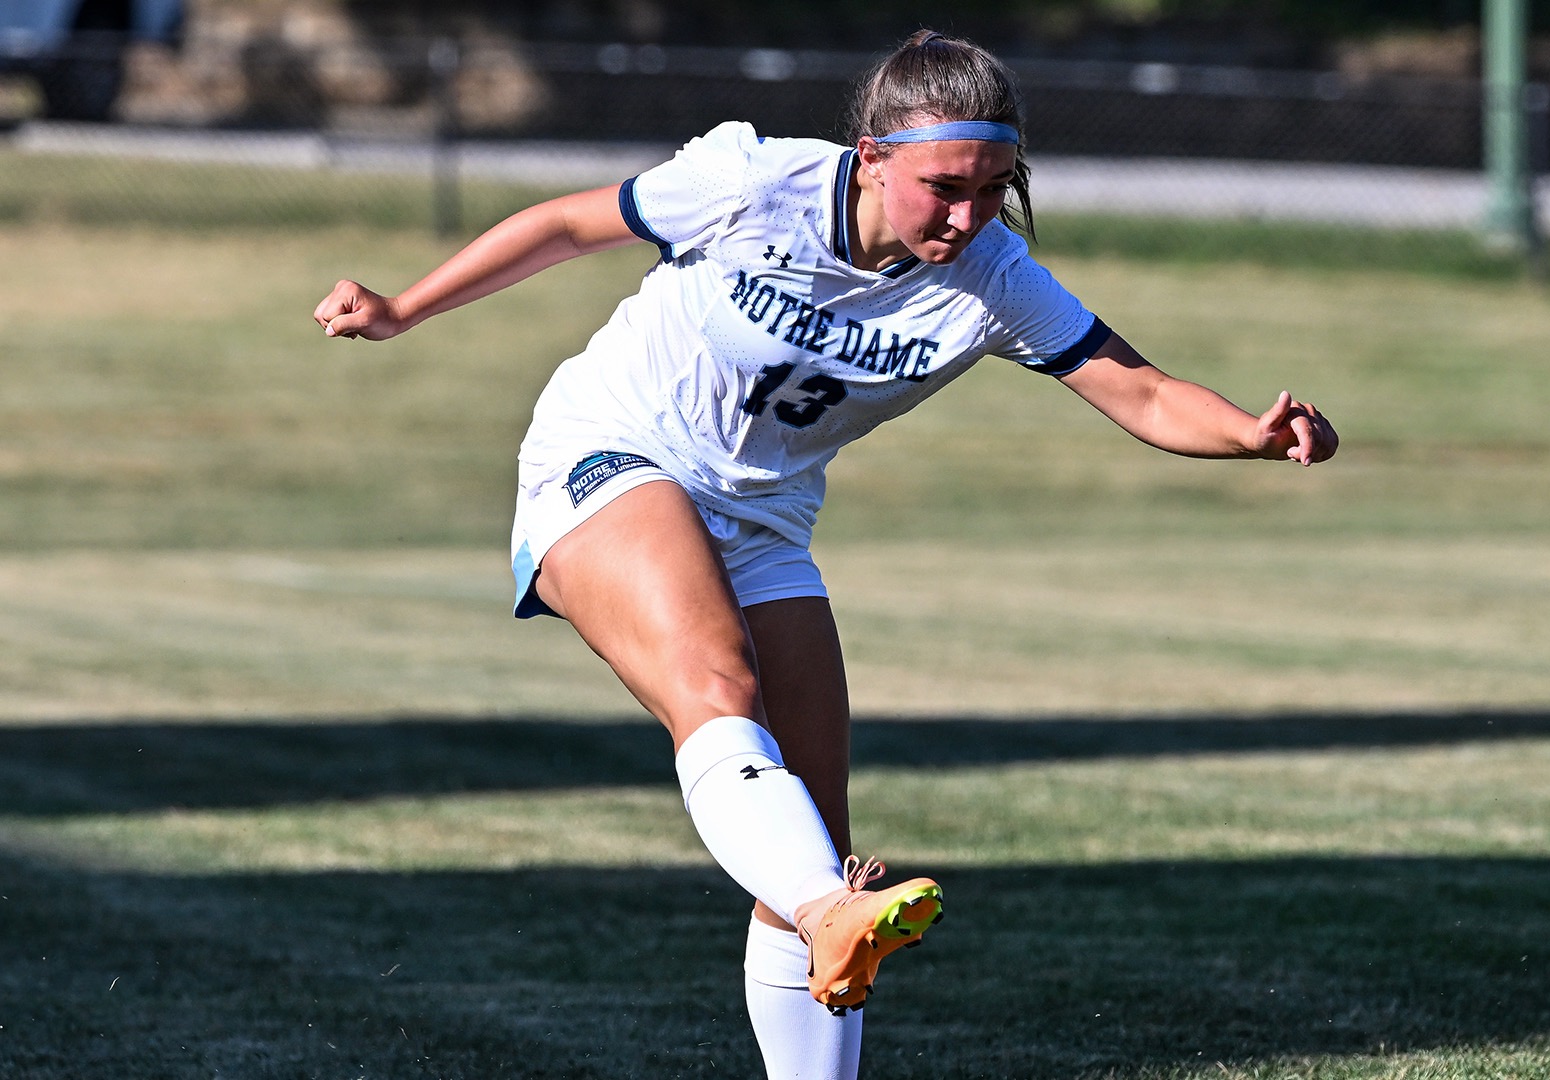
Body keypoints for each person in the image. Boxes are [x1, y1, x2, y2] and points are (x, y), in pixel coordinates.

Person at [312, 29, 1335, 1080]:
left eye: (993, 188)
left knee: (807, 827)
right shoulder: (753, 182)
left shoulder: (992, 277)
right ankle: (831, 910)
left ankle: (822, 965)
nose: (966, 216)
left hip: (764, 524)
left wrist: (1249, 434)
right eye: (943, 186)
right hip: (612, 452)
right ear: (872, 153)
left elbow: (1145, 390)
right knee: (720, 689)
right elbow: (570, 225)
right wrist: (401, 309)